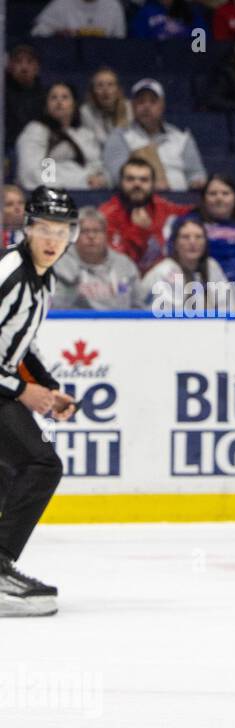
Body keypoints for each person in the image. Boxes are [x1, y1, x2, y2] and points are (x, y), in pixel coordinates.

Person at [0, 187, 81, 617]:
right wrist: (20, 391)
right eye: (44, 228)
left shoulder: (41, 278)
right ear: (27, 228)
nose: (52, 239)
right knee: (42, 464)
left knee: (9, 474)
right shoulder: (11, 273)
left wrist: (47, 389)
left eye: (61, 230)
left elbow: (20, 346)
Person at [102, 79, 207, 191]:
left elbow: (196, 174)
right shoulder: (120, 136)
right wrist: (152, 184)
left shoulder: (181, 138)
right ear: (132, 106)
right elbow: (117, 175)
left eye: (153, 101)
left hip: (179, 201)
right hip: (136, 200)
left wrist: (197, 181)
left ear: (162, 105)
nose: (146, 107)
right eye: (141, 102)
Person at [99, 157, 194, 270]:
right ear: (121, 183)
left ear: (153, 184)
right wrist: (140, 231)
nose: (137, 184)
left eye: (143, 180)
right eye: (130, 179)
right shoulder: (106, 214)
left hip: (161, 277)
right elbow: (120, 263)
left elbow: (191, 212)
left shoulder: (160, 205)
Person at [16, 82, 107, 190]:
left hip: (87, 195)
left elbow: (96, 168)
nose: (59, 102)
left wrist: (98, 179)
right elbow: (30, 174)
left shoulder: (85, 134)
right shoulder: (35, 131)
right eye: (53, 98)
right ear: (46, 105)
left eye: (65, 97)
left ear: (74, 104)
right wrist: (81, 179)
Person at [137, 218, 232, 313]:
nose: (192, 242)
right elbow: (166, 316)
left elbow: (229, 307)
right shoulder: (165, 271)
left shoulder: (212, 266)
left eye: (198, 237)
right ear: (175, 243)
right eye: (185, 237)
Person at [52, 207, 138, 310]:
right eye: (84, 231)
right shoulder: (61, 266)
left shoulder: (124, 265)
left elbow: (139, 304)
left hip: (123, 323)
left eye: (97, 231)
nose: (91, 236)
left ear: (106, 235)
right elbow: (56, 306)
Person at [79, 68, 132, 150]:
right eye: (100, 85)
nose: (105, 90)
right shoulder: (86, 112)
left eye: (110, 85)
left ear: (118, 90)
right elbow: (91, 144)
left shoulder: (129, 108)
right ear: (93, 91)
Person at [31, 0, 126, 37]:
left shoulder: (113, 5)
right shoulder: (61, 3)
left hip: (104, 57)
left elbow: (120, 38)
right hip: (66, 55)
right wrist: (57, 32)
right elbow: (37, 32)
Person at [132, 0, 209, 40]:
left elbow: (202, 43)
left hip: (187, 62)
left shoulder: (192, 12)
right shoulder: (145, 12)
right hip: (156, 64)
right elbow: (139, 45)